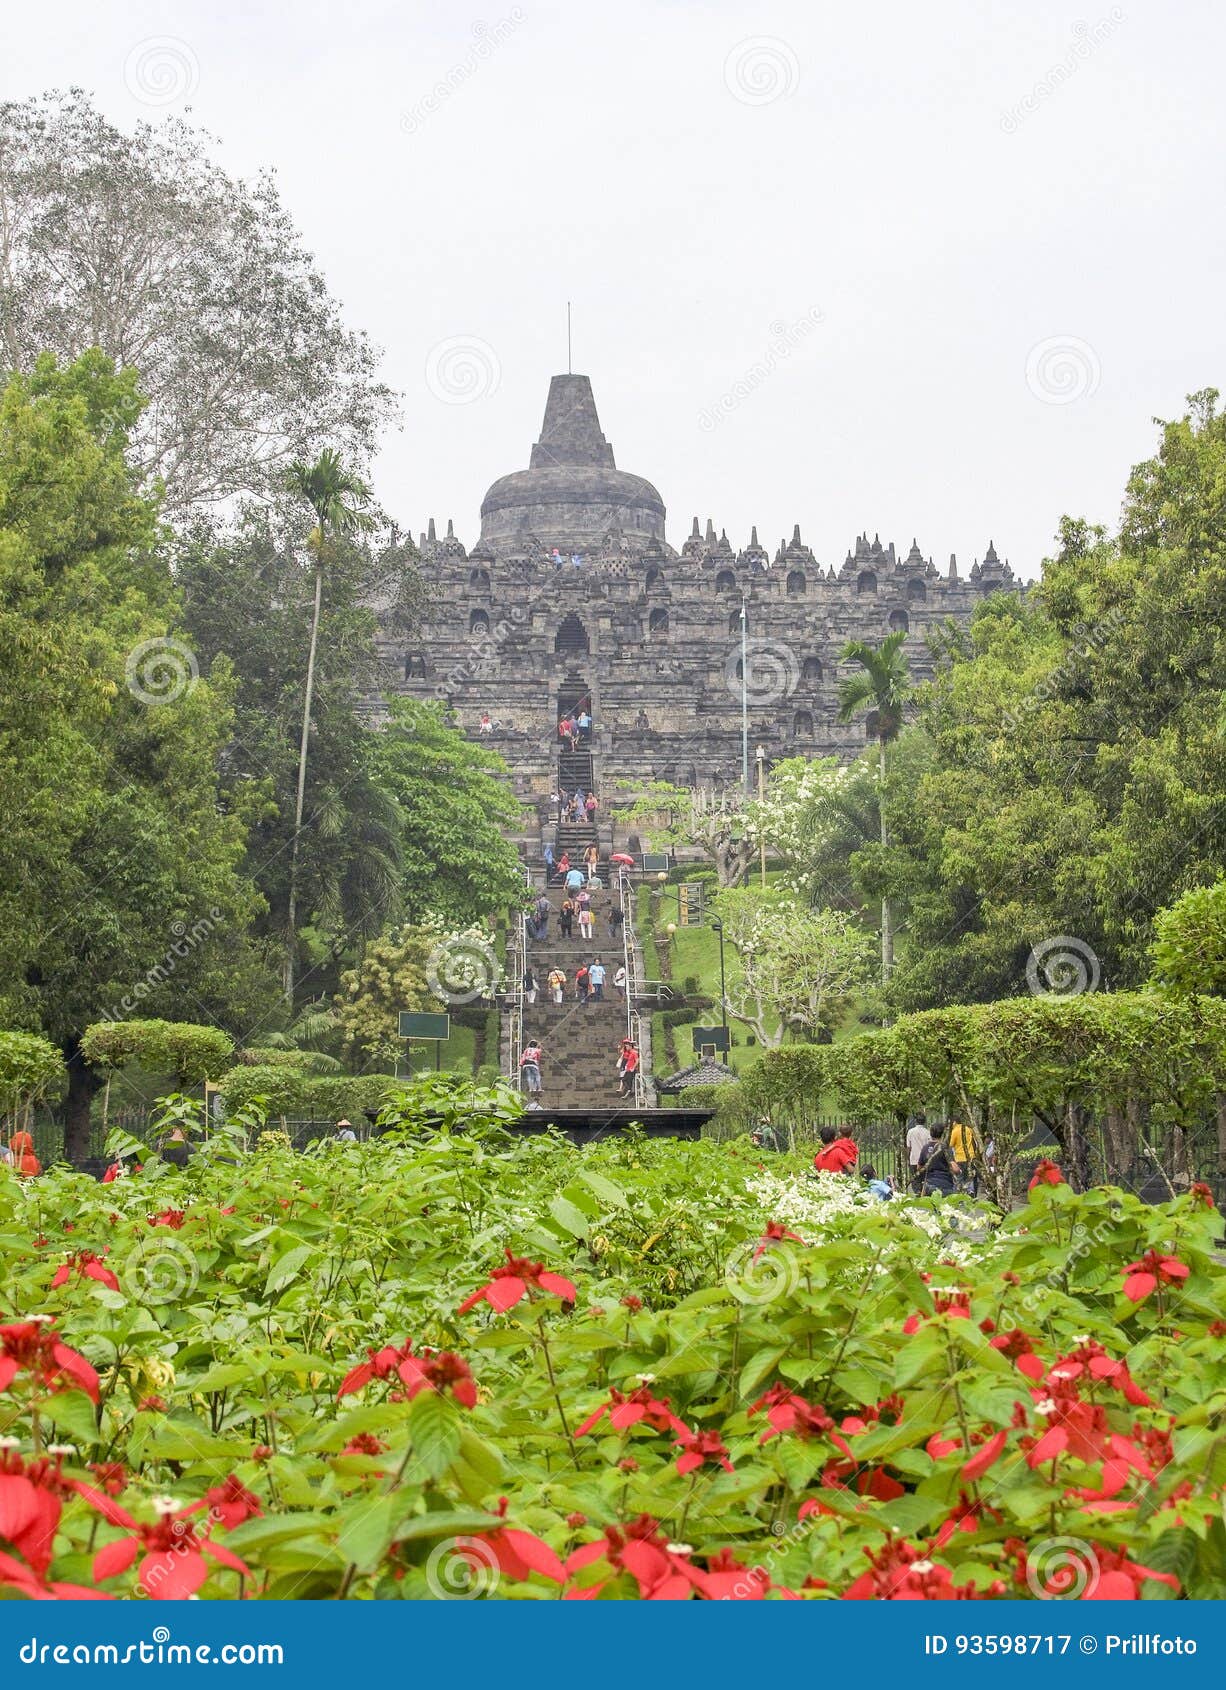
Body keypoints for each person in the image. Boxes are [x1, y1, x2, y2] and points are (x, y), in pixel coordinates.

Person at [917, 1123, 957, 1197]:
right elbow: (955, 1169)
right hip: (945, 1184)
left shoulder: (925, 1148)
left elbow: (919, 1167)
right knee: (946, 1208)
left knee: (932, 1207)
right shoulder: (946, 1148)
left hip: (930, 1184)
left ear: (930, 1133)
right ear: (943, 1134)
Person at [949, 1117, 983, 1197]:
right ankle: (971, 1195)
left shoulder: (955, 1130)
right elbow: (975, 1143)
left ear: (954, 1122)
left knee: (959, 1178)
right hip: (970, 1157)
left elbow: (951, 1145)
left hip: (960, 1158)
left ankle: (957, 1197)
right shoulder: (969, 1129)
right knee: (970, 1177)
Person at [905, 1113, 932, 1193]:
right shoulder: (927, 1132)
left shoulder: (910, 1132)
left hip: (914, 1158)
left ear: (916, 1121)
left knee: (915, 1178)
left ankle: (917, 1192)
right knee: (924, 1178)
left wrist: (908, 1158)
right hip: (924, 1159)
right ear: (924, 1121)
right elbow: (929, 1146)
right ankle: (923, 1192)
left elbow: (908, 1147)